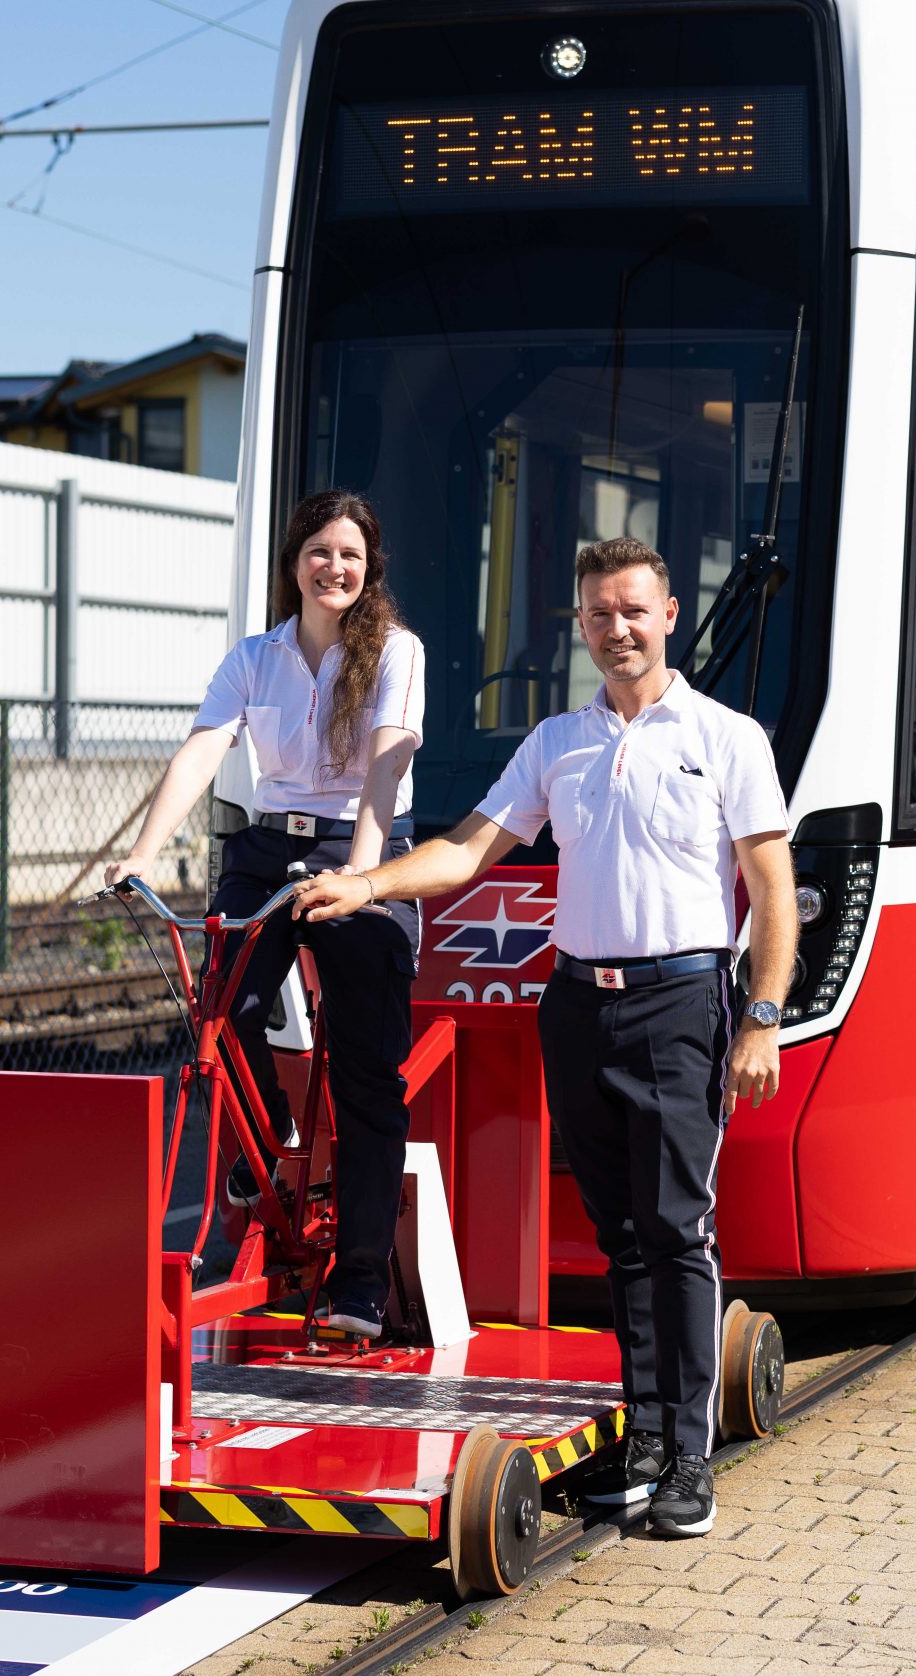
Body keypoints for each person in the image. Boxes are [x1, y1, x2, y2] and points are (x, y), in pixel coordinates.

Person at [297, 536, 796, 1538]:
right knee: (620, 1237)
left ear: (666, 615)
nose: (618, 629)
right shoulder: (556, 742)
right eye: (599, 614)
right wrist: (367, 882)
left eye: (634, 611)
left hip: (681, 1002)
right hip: (576, 1007)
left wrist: (764, 1016)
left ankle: (687, 1458)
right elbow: (467, 850)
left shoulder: (725, 735)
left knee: (676, 1231)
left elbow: (774, 890)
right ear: (581, 625)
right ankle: (647, 1439)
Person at [106, 488, 424, 1340]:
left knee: (366, 1074)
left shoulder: (395, 651)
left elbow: (386, 772)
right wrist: (142, 853)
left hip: (360, 851)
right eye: (320, 551)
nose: (335, 567)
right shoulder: (254, 656)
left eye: (351, 554)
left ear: (370, 567)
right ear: (295, 564)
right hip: (267, 852)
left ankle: (359, 1284)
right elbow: (205, 747)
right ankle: (269, 1141)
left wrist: (362, 877)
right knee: (224, 1012)